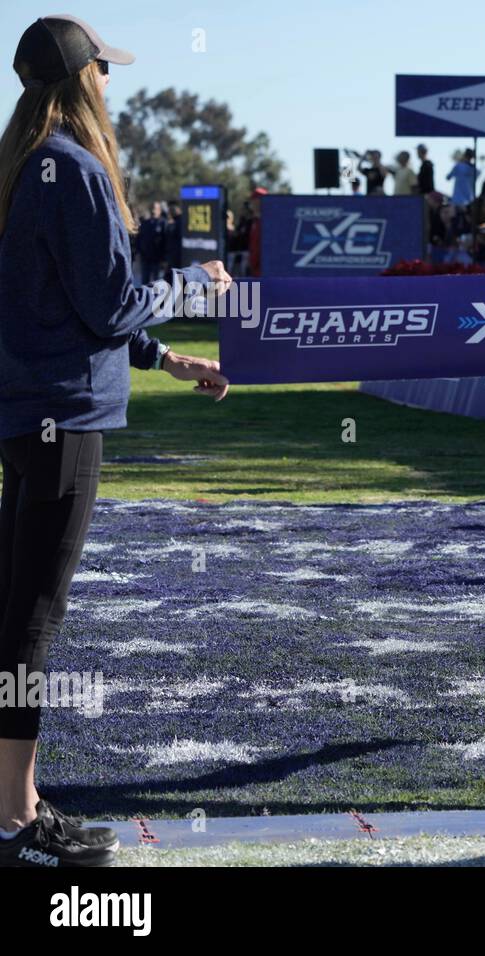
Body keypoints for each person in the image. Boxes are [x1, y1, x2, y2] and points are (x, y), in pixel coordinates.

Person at [0, 14, 232, 868]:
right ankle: (15, 821)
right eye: (105, 66)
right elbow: (107, 303)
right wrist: (191, 289)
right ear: (85, 76)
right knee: (31, 621)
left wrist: (163, 357)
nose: (112, 80)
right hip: (64, 421)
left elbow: (72, 307)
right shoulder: (76, 167)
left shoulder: (22, 164)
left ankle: (13, 802)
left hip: (26, 416)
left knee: (15, 612)